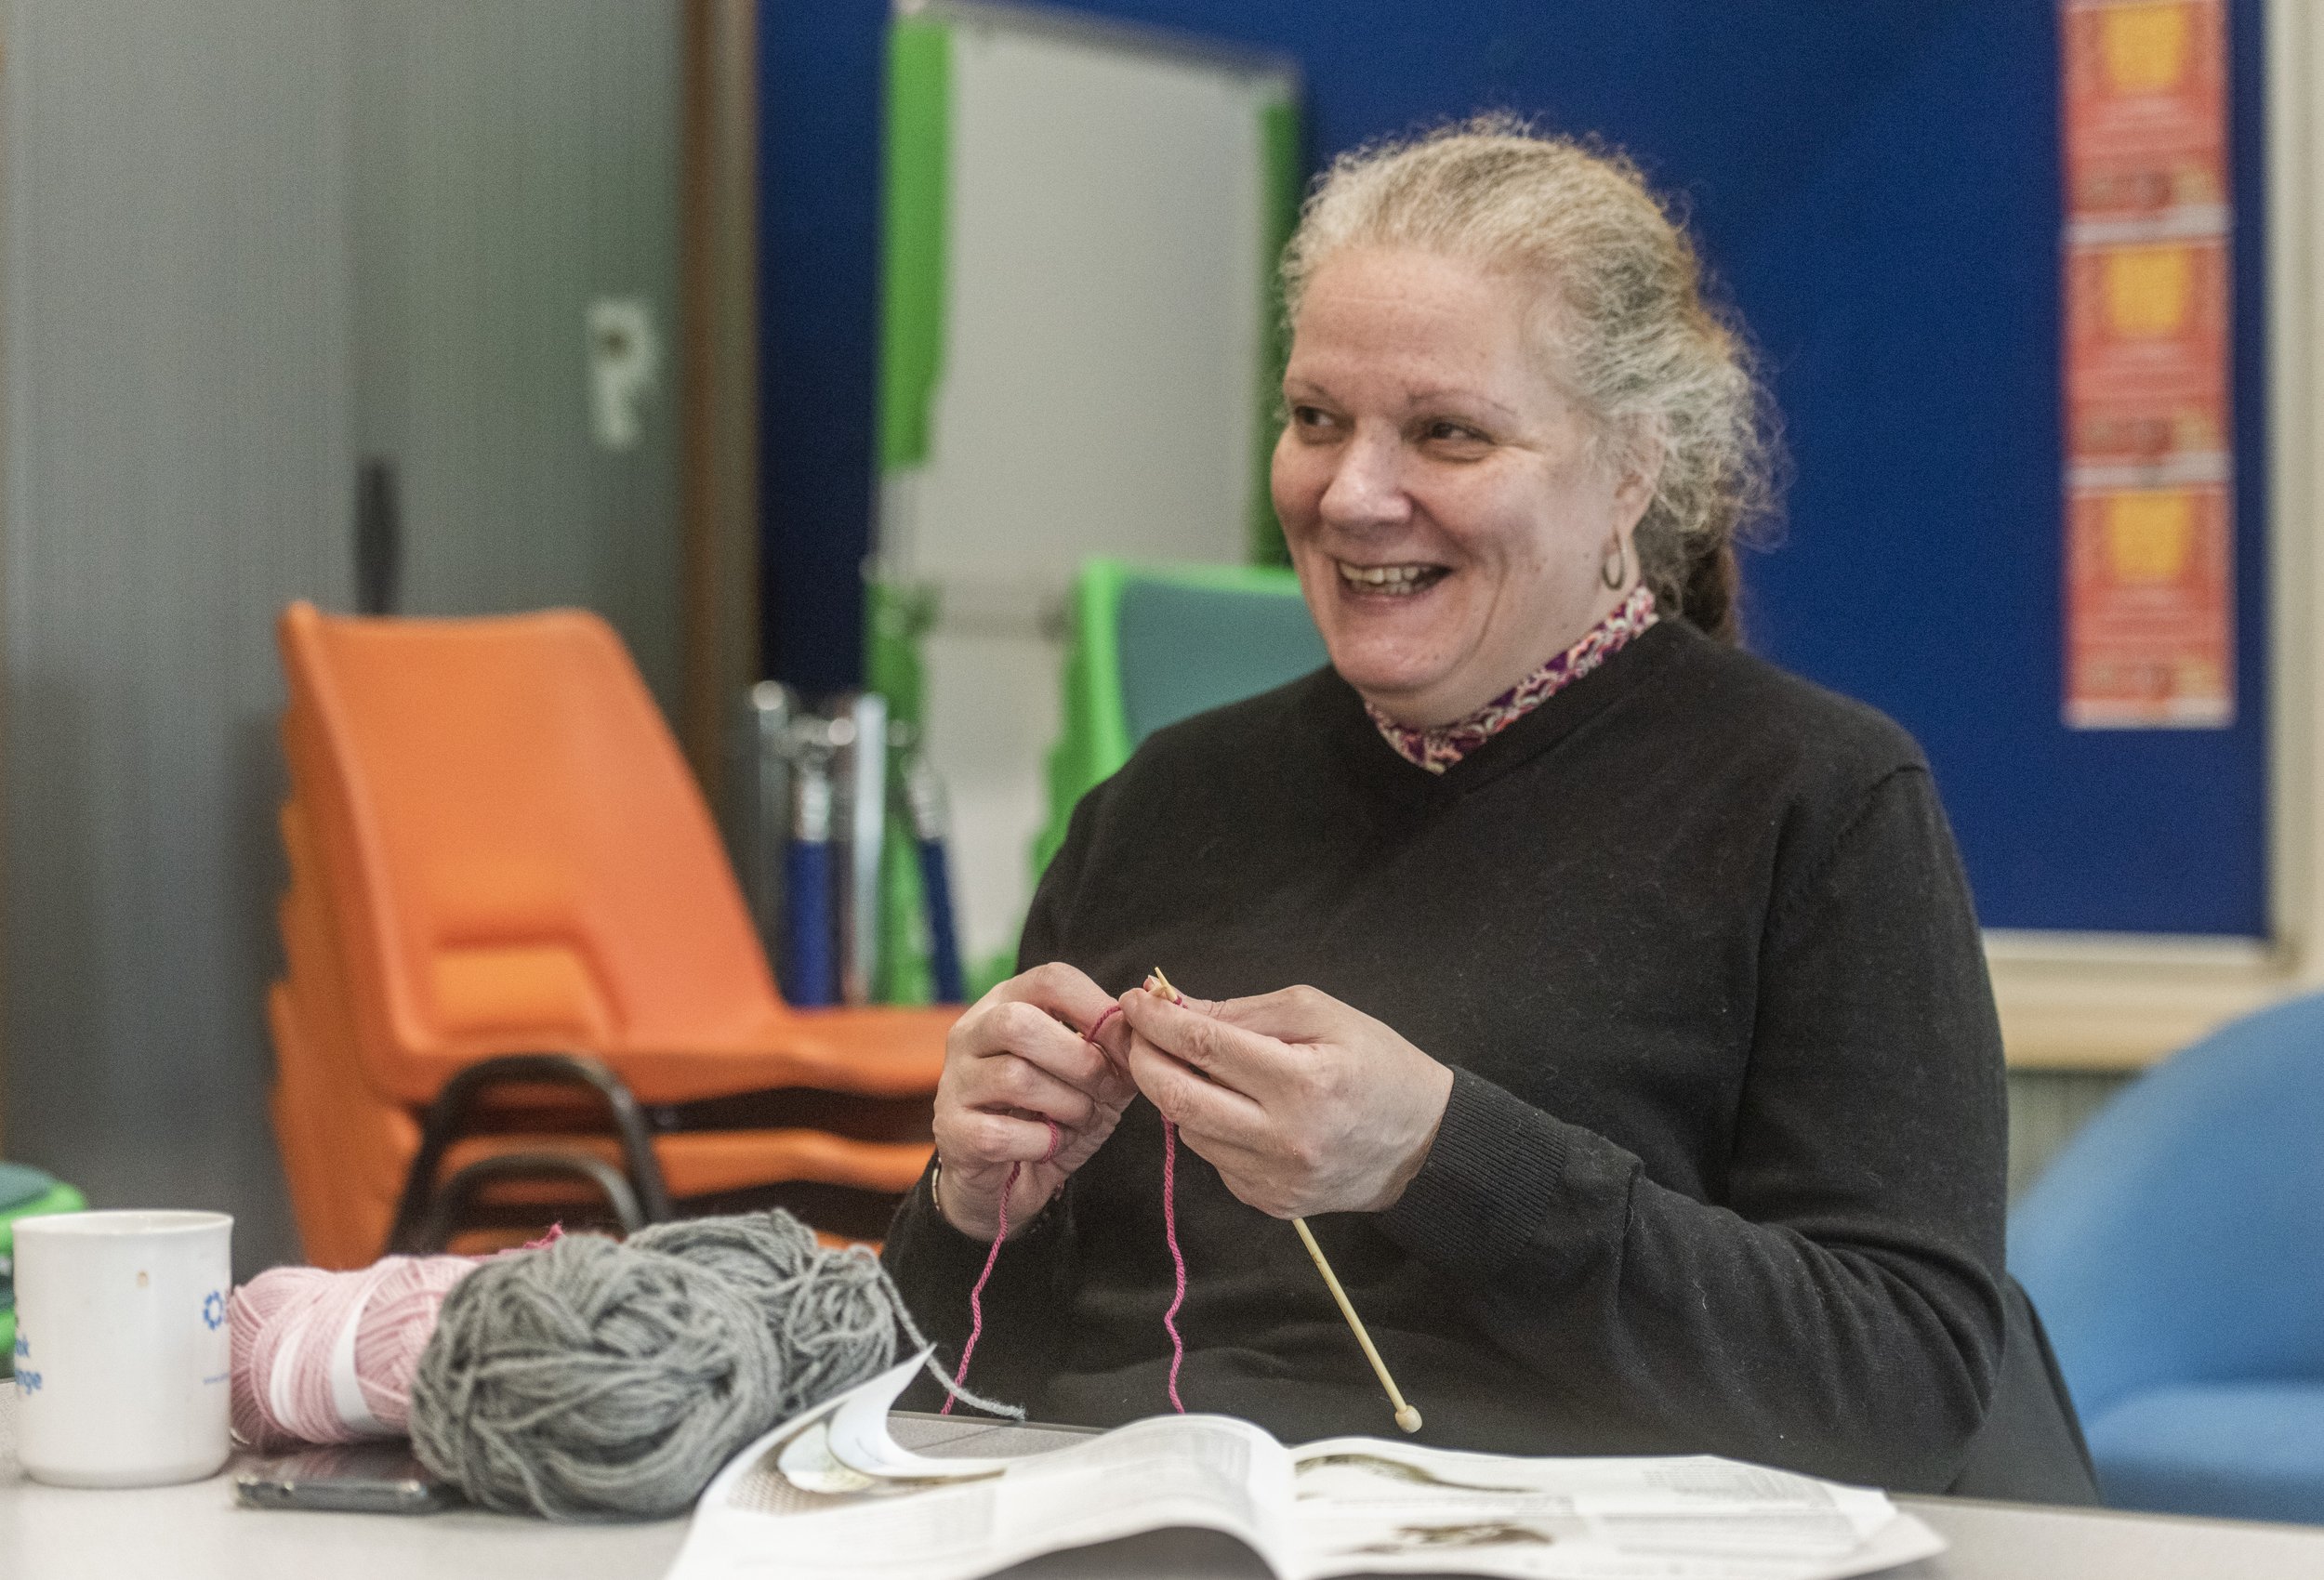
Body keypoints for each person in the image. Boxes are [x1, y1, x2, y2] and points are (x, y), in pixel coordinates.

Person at [882, 117, 2090, 1498]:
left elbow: (1906, 1385)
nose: (1350, 494)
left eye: (1447, 434)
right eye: (1315, 420)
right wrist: (973, 1210)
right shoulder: (1159, 804)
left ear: (1629, 468)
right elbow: (961, 1387)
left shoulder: (1819, 804)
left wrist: (1438, 1158)